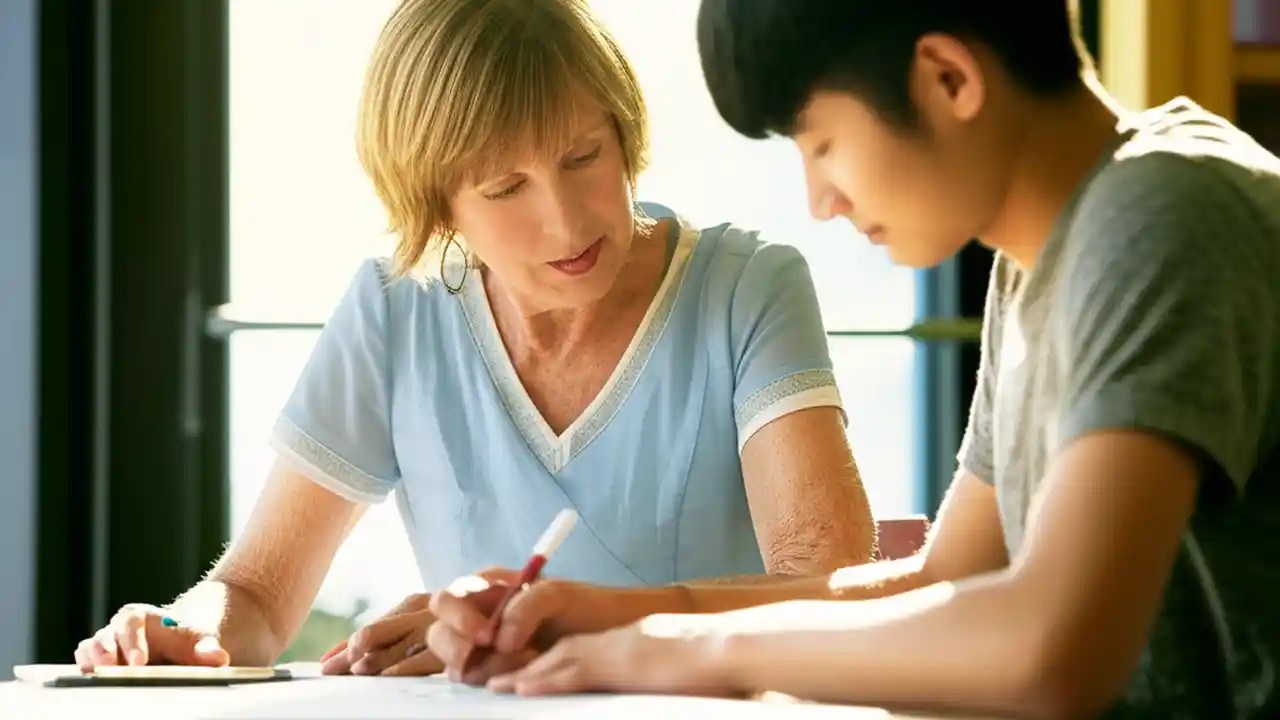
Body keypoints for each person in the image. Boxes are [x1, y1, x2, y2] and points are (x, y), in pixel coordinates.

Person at [425, 1, 1280, 716]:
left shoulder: (1163, 216)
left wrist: (696, 650)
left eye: (820, 142)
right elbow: (946, 580)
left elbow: (1051, 648)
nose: (819, 200)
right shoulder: (1047, 255)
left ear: (949, 77)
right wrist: (609, 619)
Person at [72, 0, 878, 678]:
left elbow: (826, 588)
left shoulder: (749, 287)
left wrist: (546, 622)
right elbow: (255, 595)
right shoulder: (397, 306)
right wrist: (177, 632)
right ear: (437, 203)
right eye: (505, 188)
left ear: (624, 132)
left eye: (583, 156)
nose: (565, 220)